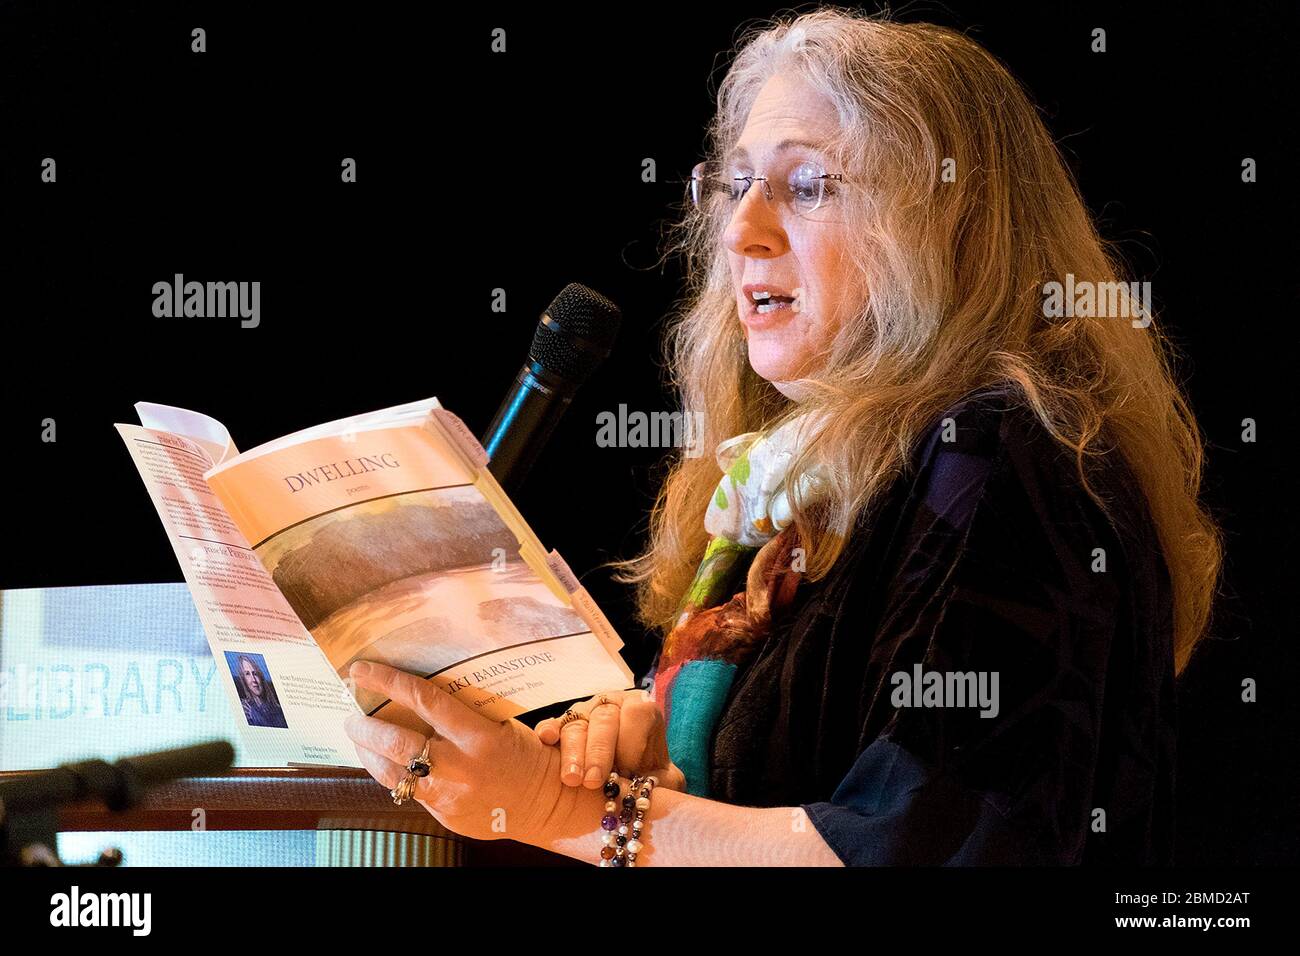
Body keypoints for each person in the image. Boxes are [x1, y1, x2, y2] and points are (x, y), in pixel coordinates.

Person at [343, 9, 1220, 865]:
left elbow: (918, 841)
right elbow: (772, 805)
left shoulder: (994, 456)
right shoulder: (792, 495)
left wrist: (554, 809)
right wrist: (657, 778)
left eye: (807, 187)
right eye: (734, 185)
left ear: (945, 227)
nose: (739, 231)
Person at [235, 654, 288, 729]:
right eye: (247, 674)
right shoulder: (245, 710)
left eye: (255, 673)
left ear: (261, 677)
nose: (253, 679)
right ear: (244, 680)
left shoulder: (279, 710)